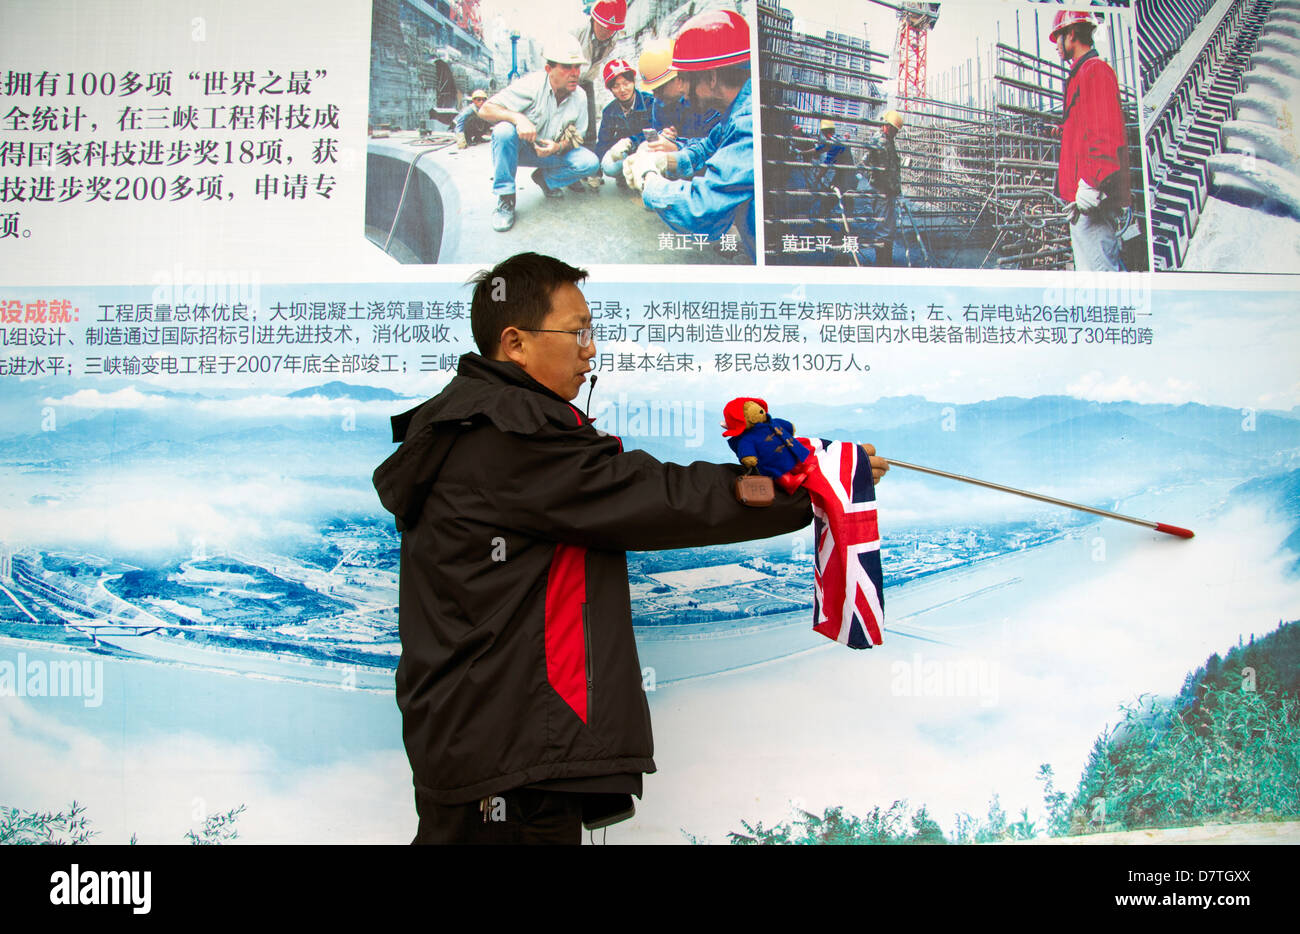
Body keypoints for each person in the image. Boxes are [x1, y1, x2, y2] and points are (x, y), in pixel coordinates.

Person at [372, 252, 888, 844]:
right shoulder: (506, 434)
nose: (590, 349)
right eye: (577, 332)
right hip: (509, 753)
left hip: (481, 739)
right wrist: (805, 487)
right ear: (514, 342)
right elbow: (654, 498)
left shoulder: (475, 424)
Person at [623, 10, 757, 260]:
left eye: (684, 79)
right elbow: (707, 148)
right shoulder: (736, 110)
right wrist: (664, 161)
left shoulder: (749, 121)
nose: (682, 90)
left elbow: (702, 210)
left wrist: (648, 178)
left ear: (713, 77)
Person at [478, 35, 600, 232]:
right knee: (503, 131)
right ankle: (506, 198)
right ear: (549, 69)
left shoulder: (580, 96)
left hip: (553, 153)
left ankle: (545, 179)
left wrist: (559, 146)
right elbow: (485, 110)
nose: (574, 73)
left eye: (577, 67)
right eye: (566, 67)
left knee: (590, 162)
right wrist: (518, 119)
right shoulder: (532, 84)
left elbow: (579, 136)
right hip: (522, 150)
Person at [1050, 10, 1131, 271]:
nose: (1057, 47)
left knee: (1102, 279)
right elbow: (1087, 128)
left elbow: (1105, 133)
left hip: (1091, 199)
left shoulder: (1094, 71)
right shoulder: (1081, 74)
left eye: (1058, 38)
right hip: (1082, 199)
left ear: (1071, 34)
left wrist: (1092, 185)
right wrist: (1065, 130)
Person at [635, 40, 721, 150]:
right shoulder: (659, 103)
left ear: (678, 79)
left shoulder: (706, 97)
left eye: (659, 89)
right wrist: (665, 137)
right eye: (653, 91)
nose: (655, 96)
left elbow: (714, 144)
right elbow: (657, 132)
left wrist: (678, 146)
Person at [571, 0, 626, 151]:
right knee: (566, 119)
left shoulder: (613, 39)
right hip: (568, 77)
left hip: (587, 79)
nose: (607, 32)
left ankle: (590, 158)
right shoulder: (577, 31)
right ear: (594, 20)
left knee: (589, 118)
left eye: (611, 29)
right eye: (603, 27)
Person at [595, 58, 659, 185]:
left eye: (626, 83)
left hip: (647, 150)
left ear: (633, 82)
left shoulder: (650, 102)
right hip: (625, 154)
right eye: (616, 86)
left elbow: (655, 135)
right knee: (608, 166)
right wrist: (596, 172)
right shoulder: (609, 111)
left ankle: (648, 176)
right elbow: (603, 142)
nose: (622, 89)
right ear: (611, 90)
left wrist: (631, 141)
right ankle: (625, 174)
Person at [867, 110, 903, 266]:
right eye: (894, 129)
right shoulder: (881, 141)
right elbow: (884, 171)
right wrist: (894, 189)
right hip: (883, 190)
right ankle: (883, 262)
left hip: (887, 190)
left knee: (887, 227)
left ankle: (885, 259)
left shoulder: (888, 140)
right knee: (883, 228)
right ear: (887, 126)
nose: (896, 133)